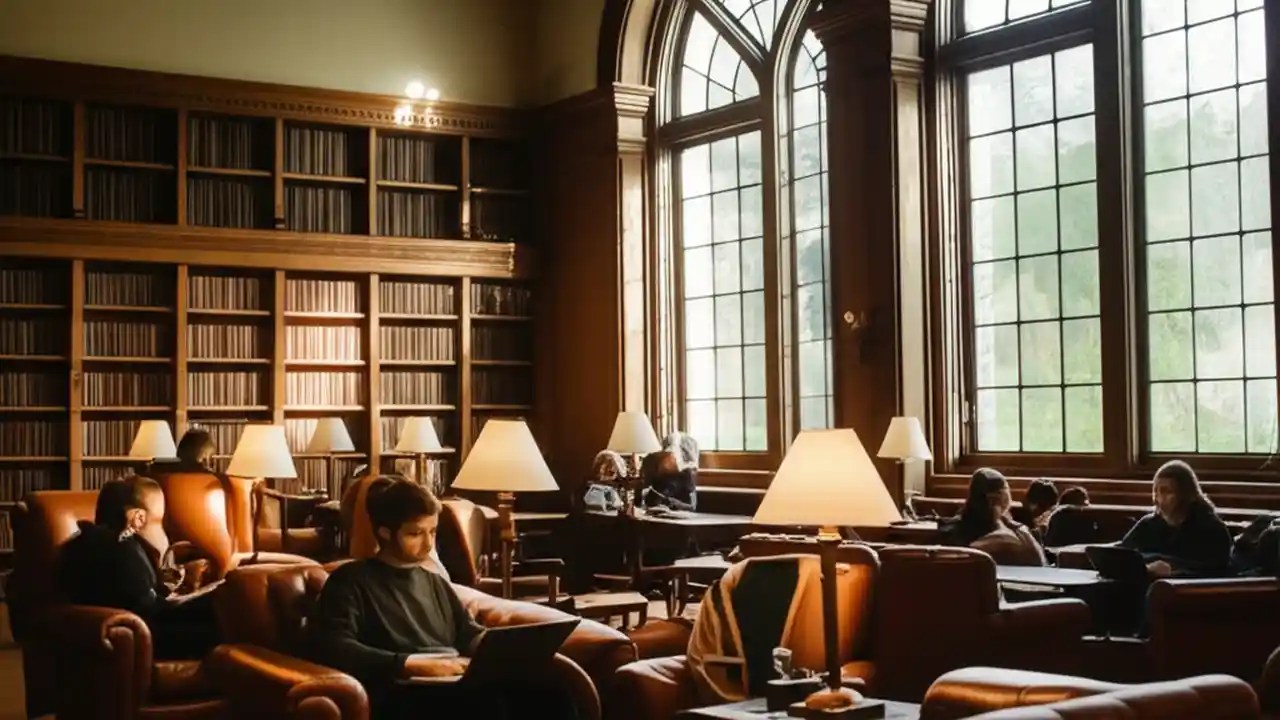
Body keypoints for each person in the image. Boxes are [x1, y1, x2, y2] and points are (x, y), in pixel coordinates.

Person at [310, 477, 577, 719]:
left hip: (454, 680)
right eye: (416, 533)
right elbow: (335, 646)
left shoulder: (434, 581)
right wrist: (408, 664)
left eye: (433, 532)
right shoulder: (351, 581)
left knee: (554, 693)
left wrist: (506, 648)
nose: (428, 544)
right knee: (489, 705)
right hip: (404, 690)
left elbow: (467, 633)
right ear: (384, 532)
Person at [56, 476, 221, 659]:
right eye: (159, 521)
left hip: (132, 632)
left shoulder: (84, 543)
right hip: (148, 638)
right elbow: (156, 612)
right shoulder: (121, 548)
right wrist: (214, 595)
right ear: (138, 518)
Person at [1118, 460, 1232, 578]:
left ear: (1187, 494)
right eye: (1155, 492)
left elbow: (1214, 572)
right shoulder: (1148, 524)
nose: (1158, 499)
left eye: (1166, 492)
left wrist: (1171, 570)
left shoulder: (1211, 529)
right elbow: (1124, 552)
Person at [948, 468, 1045, 566]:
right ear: (1000, 495)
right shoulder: (1018, 534)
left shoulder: (956, 527)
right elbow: (1040, 564)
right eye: (1006, 488)